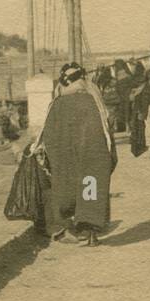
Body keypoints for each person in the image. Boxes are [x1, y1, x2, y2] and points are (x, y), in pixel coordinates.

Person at [35, 62, 115, 246]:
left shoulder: (57, 104)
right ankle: (92, 234)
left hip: (67, 158)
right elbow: (105, 128)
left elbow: (49, 135)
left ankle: (70, 227)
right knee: (92, 191)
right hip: (93, 156)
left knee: (68, 191)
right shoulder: (92, 100)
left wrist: (49, 155)